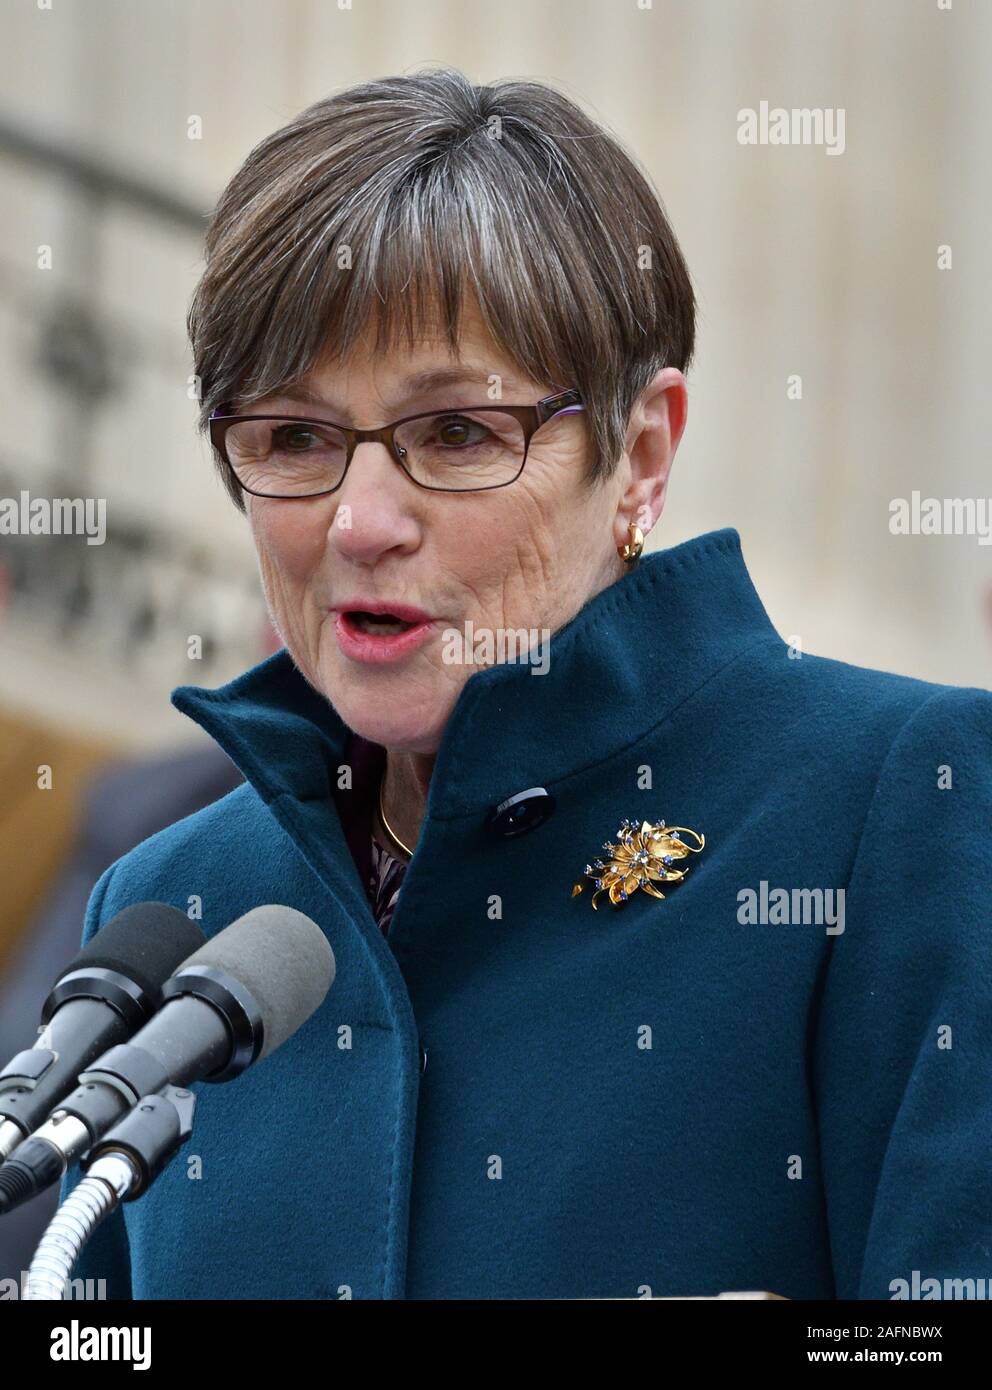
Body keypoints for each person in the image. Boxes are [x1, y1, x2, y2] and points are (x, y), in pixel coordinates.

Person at [61, 67, 991, 1301]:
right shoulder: (174, 902)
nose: (360, 520)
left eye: (455, 432)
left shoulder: (898, 798)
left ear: (640, 452)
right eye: (292, 437)